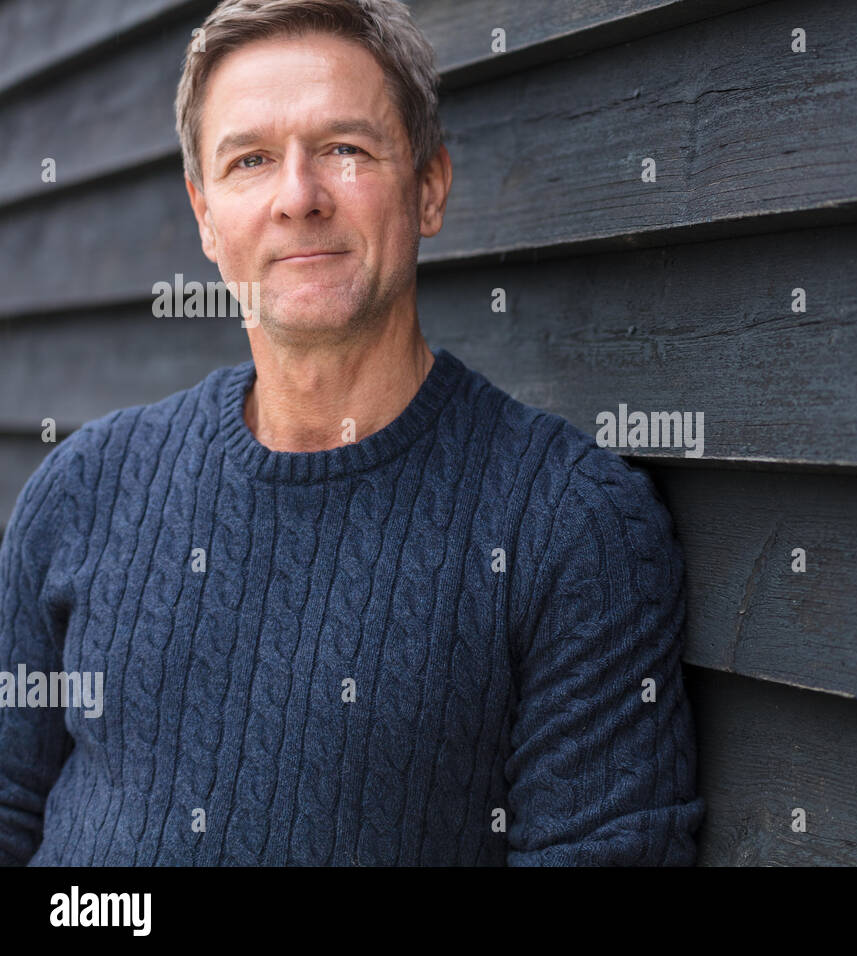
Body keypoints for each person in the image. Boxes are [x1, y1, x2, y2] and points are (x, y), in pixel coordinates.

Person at [0, 0, 704, 866]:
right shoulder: (82, 489)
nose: (299, 197)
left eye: (344, 149)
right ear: (206, 217)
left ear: (429, 187)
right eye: (251, 159)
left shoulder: (567, 523)